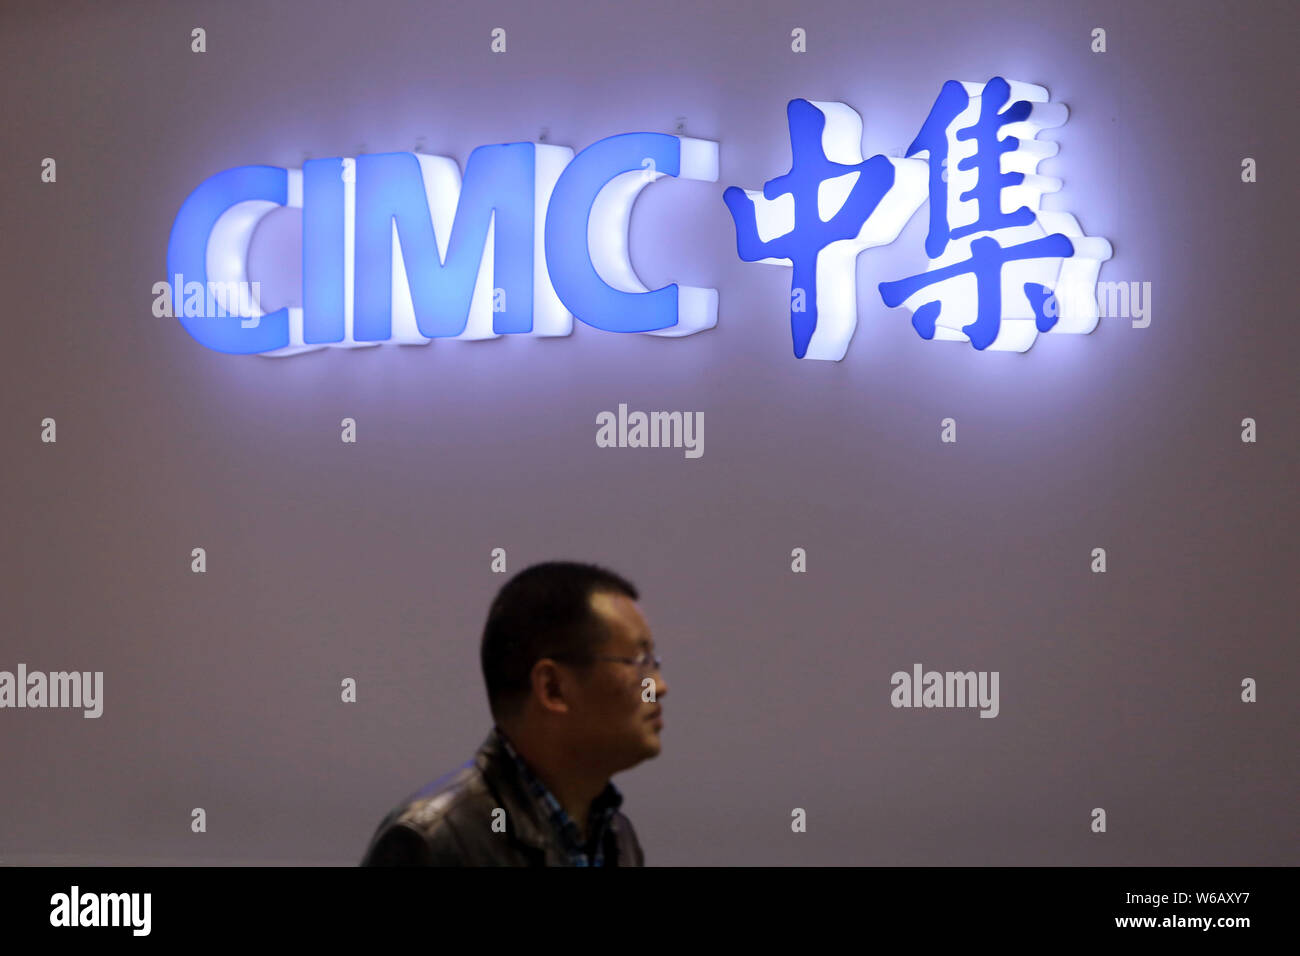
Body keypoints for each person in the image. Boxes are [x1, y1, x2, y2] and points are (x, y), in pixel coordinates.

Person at [360, 561, 666, 866]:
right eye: (638, 662)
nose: (659, 685)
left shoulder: (616, 837)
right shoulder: (432, 841)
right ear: (553, 688)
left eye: (654, 661)